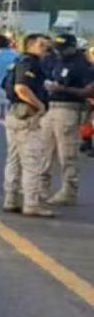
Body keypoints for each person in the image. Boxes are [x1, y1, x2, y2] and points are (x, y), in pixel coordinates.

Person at [2, 33, 53, 217]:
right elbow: (21, 88)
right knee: (32, 161)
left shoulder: (17, 61)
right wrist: (39, 105)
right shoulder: (30, 63)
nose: (46, 49)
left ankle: (11, 198)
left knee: (14, 160)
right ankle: (32, 203)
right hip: (26, 116)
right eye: (42, 45)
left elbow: (5, 86)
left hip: (14, 114)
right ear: (30, 45)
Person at [41, 34, 94, 206]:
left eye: (63, 49)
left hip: (69, 107)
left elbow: (88, 90)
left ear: (72, 47)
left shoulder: (82, 65)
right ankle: (41, 187)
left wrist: (64, 89)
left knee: (67, 153)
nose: (59, 52)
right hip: (52, 106)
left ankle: (69, 190)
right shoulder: (57, 61)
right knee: (44, 150)